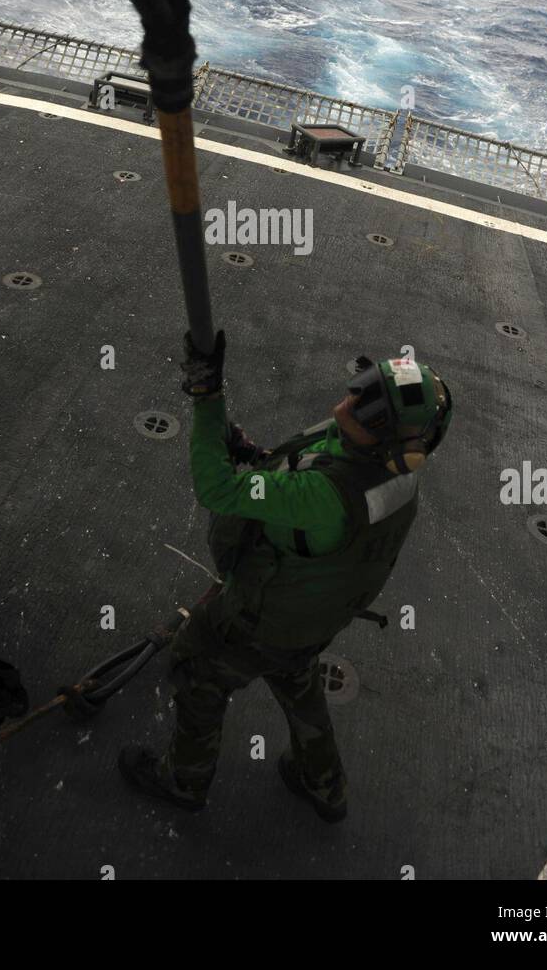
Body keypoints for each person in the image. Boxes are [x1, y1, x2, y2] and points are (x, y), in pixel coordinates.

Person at [119, 333, 452, 822]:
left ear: (384, 433)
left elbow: (219, 490)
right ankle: (324, 784)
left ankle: (183, 781)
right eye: (361, 389)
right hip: (314, 616)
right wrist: (254, 453)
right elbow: (302, 468)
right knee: (295, 676)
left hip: (261, 619)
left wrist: (208, 401)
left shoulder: (326, 497)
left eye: (365, 405)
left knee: (196, 670)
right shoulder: (396, 475)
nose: (350, 402)